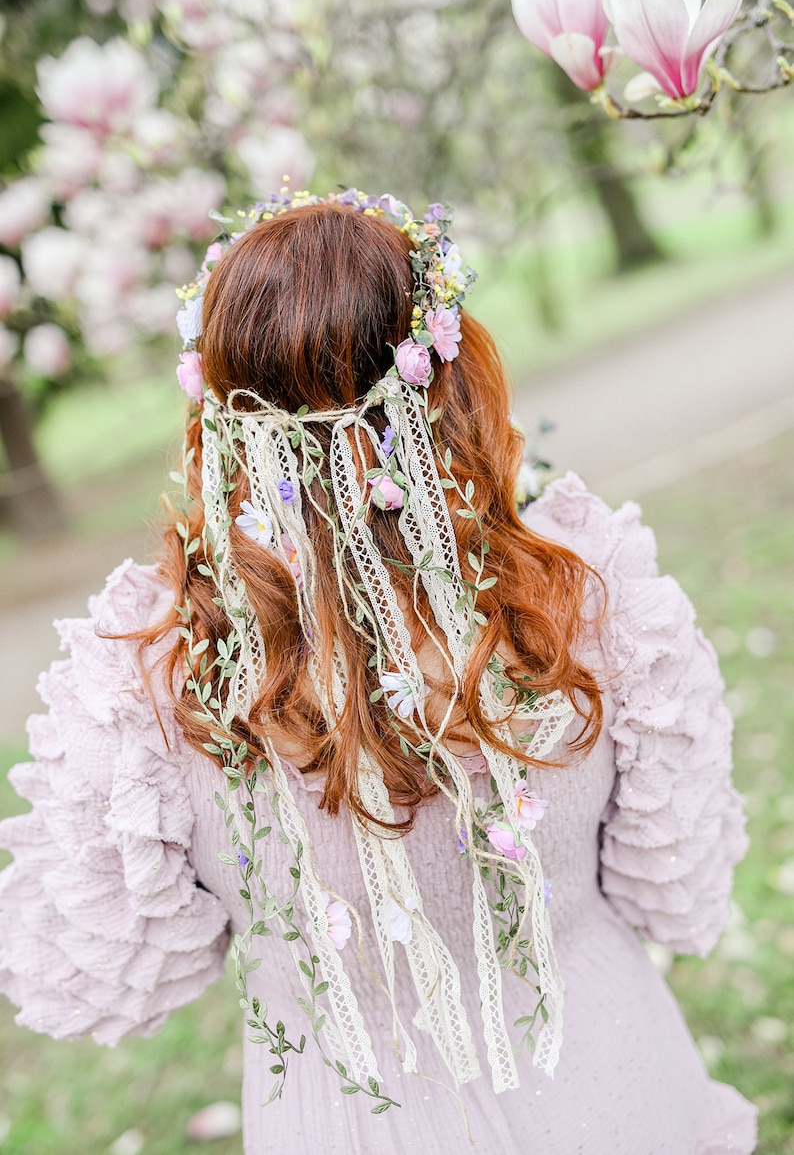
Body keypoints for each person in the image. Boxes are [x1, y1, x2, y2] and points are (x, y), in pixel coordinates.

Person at [0, 190, 756, 1154]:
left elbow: (113, 976)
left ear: (218, 415)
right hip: (610, 1098)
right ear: (456, 382)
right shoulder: (593, 598)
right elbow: (677, 892)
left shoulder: (149, 676)